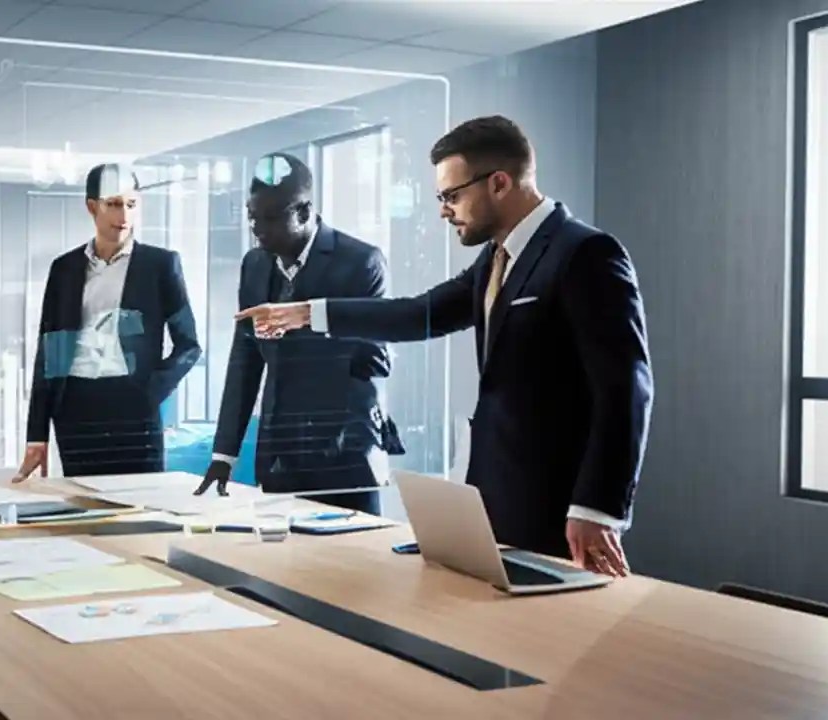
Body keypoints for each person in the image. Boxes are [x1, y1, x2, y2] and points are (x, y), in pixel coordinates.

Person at [237, 116, 653, 576]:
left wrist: (597, 508)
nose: (444, 210)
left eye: (452, 196)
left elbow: (625, 389)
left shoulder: (585, 253)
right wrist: (306, 313)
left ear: (498, 183)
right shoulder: (495, 258)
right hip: (497, 498)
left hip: (560, 504)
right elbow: (419, 313)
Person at [192, 153, 402, 515]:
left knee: (354, 568)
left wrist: (300, 321)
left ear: (304, 213)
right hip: (279, 459)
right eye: (251, 216)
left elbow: (373, 361)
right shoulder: (254, 264)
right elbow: (245, 360)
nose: (257, 228)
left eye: (270, 218)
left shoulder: (360, 262)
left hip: (343, 460)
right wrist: (224, 453)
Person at [14, 163, 200, 480]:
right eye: (113, 204)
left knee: (140, 510)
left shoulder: (160, 265)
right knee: (83, 508)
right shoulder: (65, 269)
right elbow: (48, 352)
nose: (124, 216)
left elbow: (189, 345)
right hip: (76, 408)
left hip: (133, 408)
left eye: (131, 204)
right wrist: (37, 434)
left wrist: (149, 392)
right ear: (92, 207)